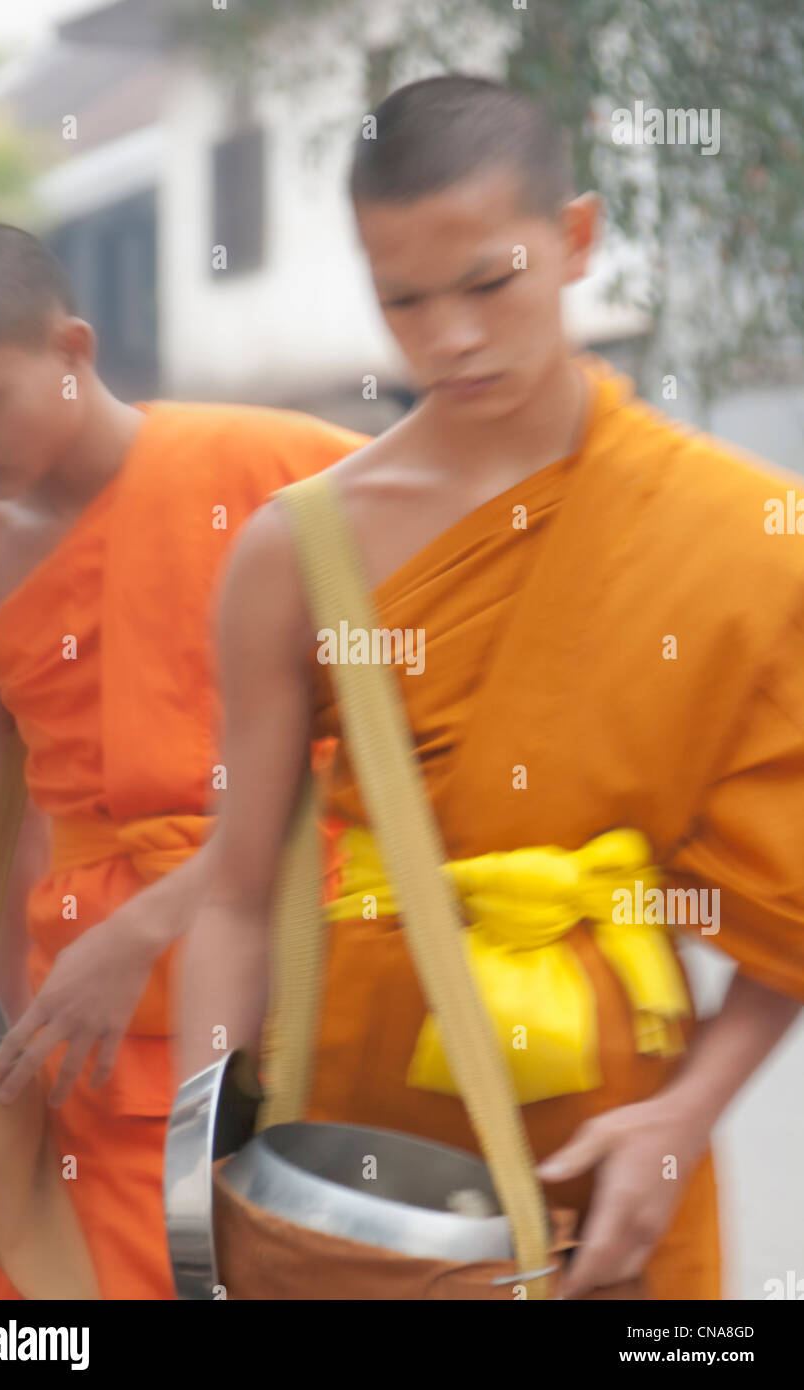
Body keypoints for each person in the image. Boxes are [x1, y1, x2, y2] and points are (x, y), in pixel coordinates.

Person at [180, 74, 804, 1300]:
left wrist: (687, 1113)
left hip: (617, 1132)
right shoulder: (297, 548)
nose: (447, 339)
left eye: (488, 282)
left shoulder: (740, 532)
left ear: (572, 241)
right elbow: (236, 893)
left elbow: (789, 896)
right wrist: (194, 1168)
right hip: (350, 1128)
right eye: (399, 298)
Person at [0, 222, 368, 1299]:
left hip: (306, 968)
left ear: (71, 347)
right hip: (93, 1035)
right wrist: (2, 1060)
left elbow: (377, 755)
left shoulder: (277, 469)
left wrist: (142, 926)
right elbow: (10, 814)